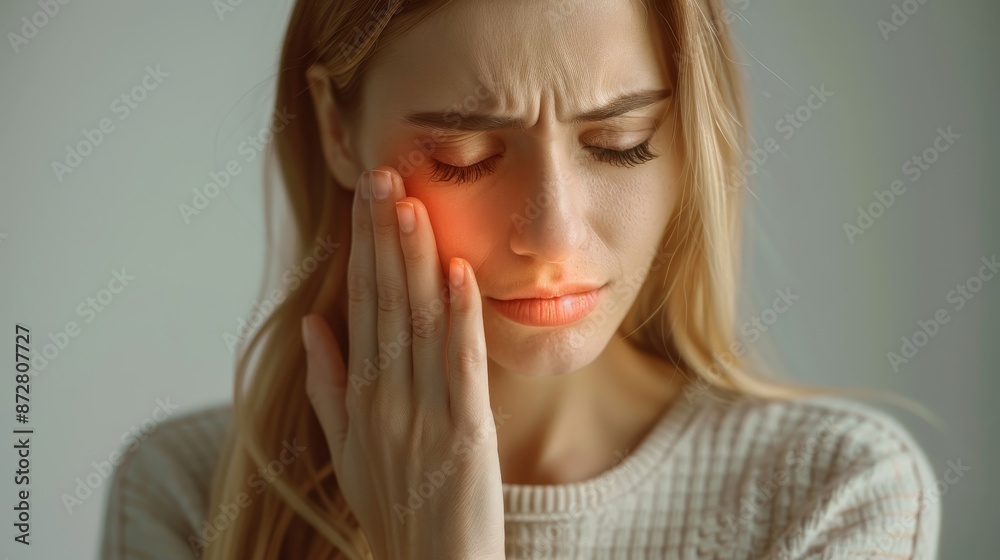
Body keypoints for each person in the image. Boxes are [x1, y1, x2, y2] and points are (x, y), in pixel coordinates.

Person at [100, 0, 942, 558]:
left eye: (622, 142)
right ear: (335, 126)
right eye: (463, 157)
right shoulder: (188, 493)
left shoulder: (834, 493)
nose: (554, 234)